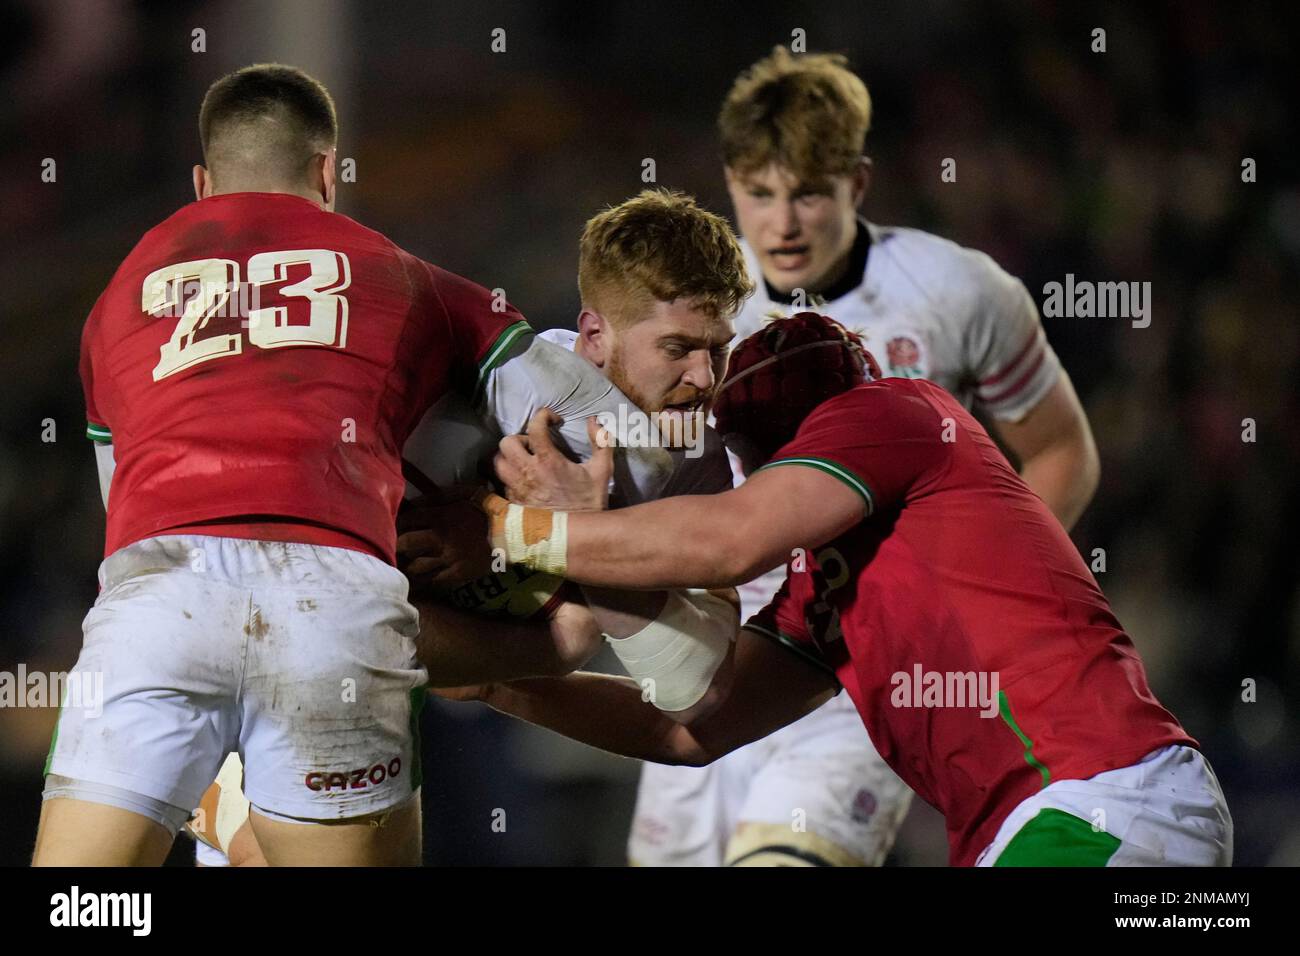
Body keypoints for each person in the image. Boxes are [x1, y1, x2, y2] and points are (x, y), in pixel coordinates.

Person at [37, 64, 668, 867]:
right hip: (332, 607)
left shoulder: (115, 302)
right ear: (328, 172)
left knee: (81, 912)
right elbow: (606, 423)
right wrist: (551, 529)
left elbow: (117, 512)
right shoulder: (409, 277)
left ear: (202, 183)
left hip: (159, 599)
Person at [463, 313, 1232, 867]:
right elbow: (690, 731)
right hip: (1047, 825)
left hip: (1102, 801)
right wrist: (499, 684)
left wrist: (517, 531)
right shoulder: (823, 583)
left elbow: (730, 541)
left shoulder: (898, 410)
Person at [630, 45, 1102, 867]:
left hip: (856, 670)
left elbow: (1062, 449)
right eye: (759, 194)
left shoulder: (957, 289)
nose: (781, 223)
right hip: (708, 654)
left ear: (857, 183)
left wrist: (968, 604)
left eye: (808, 194)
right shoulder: (691, 303)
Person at [187, 188, 752, 866]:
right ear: (593, 335)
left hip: (448, 675)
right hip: (316, 641)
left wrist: (522, 529)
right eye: (679, 348)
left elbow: (695, 698)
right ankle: (208, 790)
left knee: (571, 642)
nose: (704, 377)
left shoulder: (697, 462)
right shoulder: (488, 384)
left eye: (719, 350)